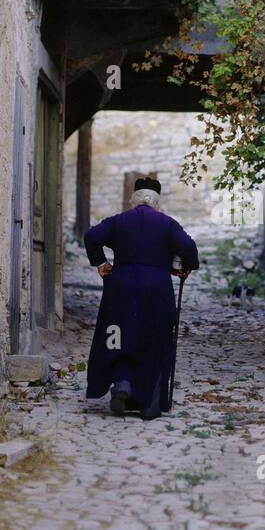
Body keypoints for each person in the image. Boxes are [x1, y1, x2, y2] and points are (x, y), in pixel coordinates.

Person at [83, 177, 199, 420]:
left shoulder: (119, 221)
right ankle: (149, 402)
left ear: (133, 200)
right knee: (155, 338)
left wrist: (102, 262)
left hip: (121, 286)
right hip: (156, 287)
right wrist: (185, 267)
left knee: (119, 337)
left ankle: (123, 382)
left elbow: (92, 236)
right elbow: (187, 246)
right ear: (157, 202)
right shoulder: (167, 223)